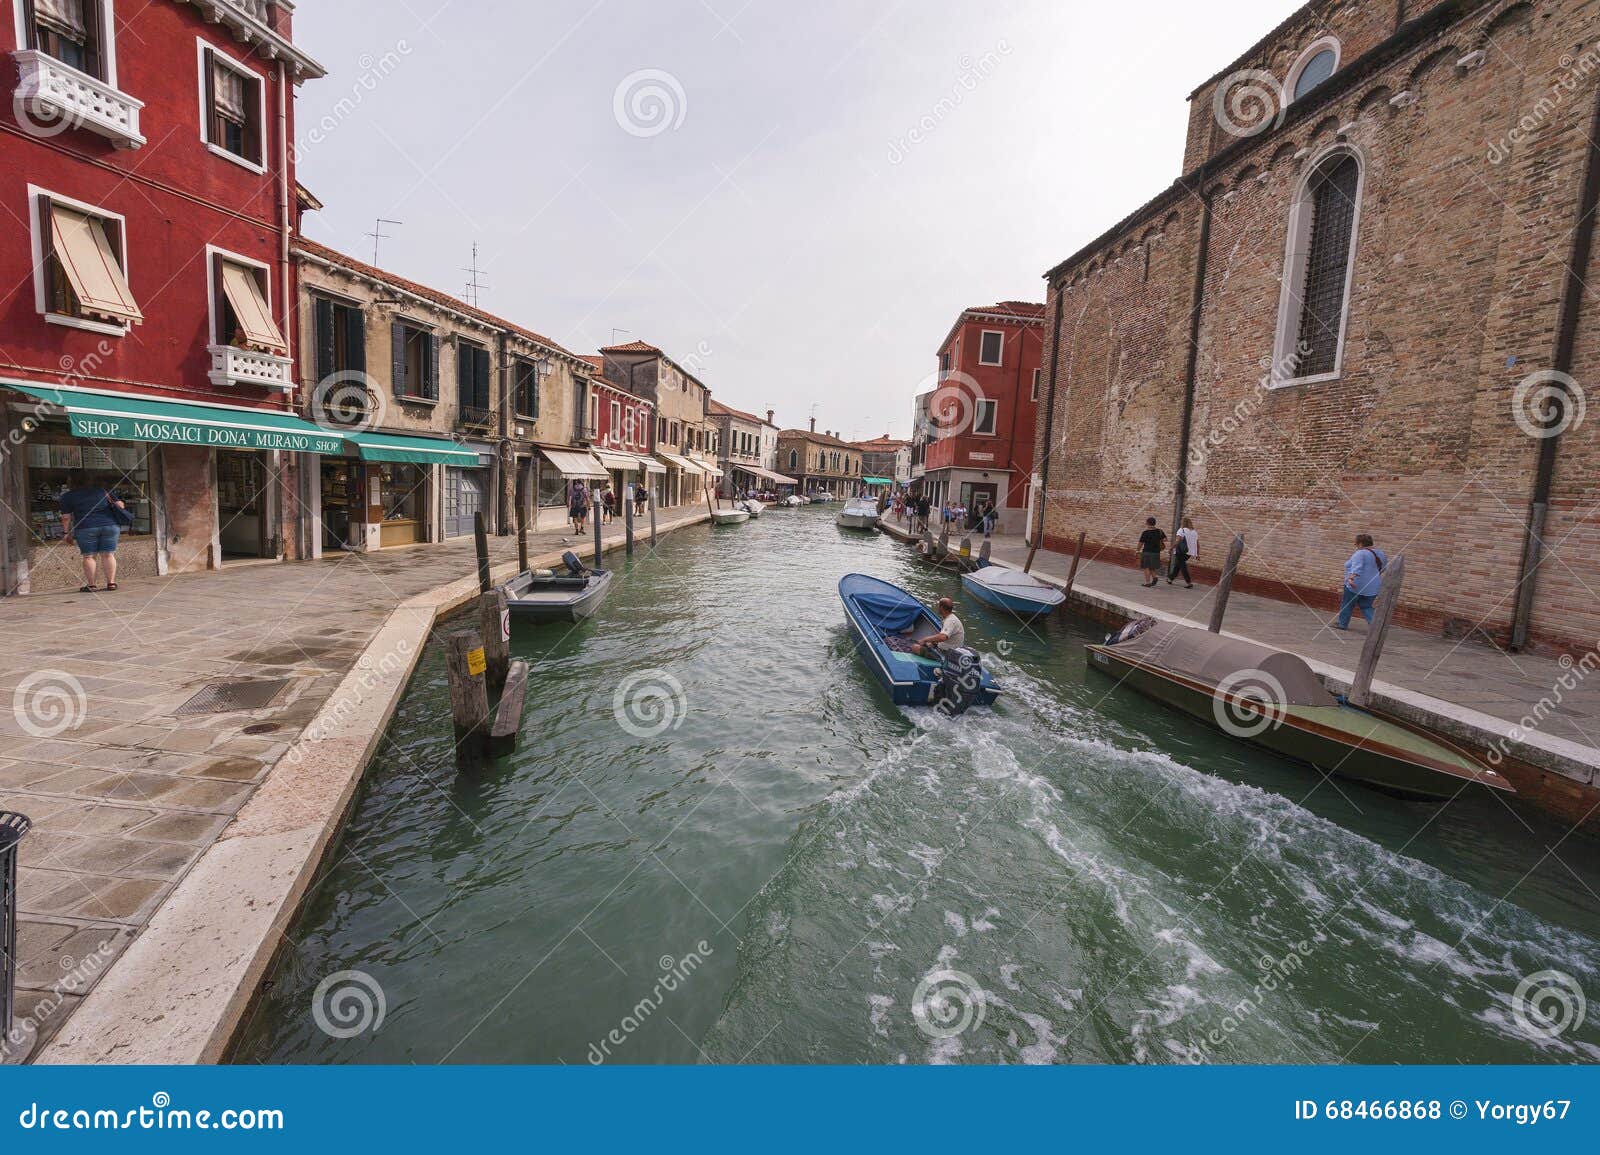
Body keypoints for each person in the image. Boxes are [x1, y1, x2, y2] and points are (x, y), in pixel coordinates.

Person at [58, 470, 129, 592]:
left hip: (86, 527)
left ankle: (92, 585)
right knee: (108, 554)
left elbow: (66, 517)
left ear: (71, 481)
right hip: (110, 525)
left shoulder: (67, 496)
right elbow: (120, 506)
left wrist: (66, 533)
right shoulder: (102, 491)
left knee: (89, 556)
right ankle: (111, 583)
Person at [1336, 533, 1388, 629]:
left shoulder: (1360, 553)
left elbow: (1357, 568)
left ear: (1360, 543)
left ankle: (1342, 624)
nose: (1355, 546)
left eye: (1356, 544)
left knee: (1347, 604)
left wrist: (1351, 578)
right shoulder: (1381, 553)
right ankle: (1376, 626)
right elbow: (1383, 568)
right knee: (1366, 606)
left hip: (1356, 585)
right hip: (1373, 586)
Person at [1168, 517, 1197, 588]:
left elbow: (1178, 541)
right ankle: (1170, 579)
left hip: (1180, 551)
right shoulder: (1194, 532)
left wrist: (1171, 548)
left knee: (1182, 566)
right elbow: (1197, 544)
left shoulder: (1181, 530)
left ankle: (1189, 583)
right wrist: (1197, 553)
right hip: (1189, 553)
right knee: (1178, 565)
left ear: (1183, 523)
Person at [1137, 517, 1166, 587]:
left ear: (1147, 523)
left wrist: (1137, 550)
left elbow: (1141, 543)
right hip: (1156, 552)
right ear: (1154, 523)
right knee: (1152, 567)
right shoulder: (1160, 531)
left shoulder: (1145, 532)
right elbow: (1165, 539)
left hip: (1147, 552)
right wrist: (1158, 540)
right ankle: (1155, 577)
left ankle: (1147, 583)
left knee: (1146, 567)